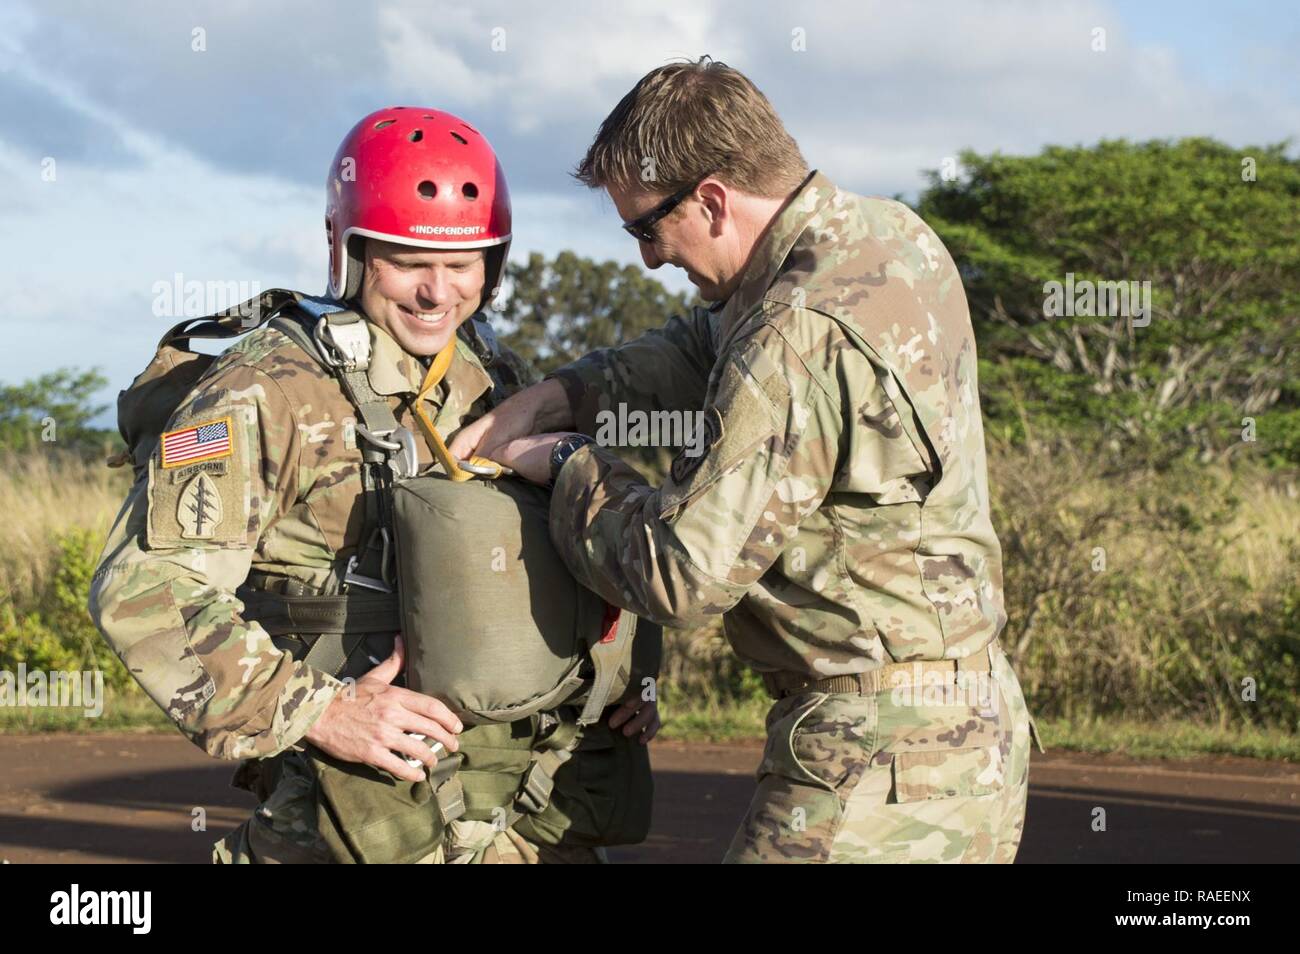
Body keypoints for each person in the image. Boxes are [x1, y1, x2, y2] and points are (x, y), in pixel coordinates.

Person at [450, 58, 1040, 864]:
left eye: (646, 229)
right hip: (970, 732)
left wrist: (569, 463)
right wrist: (558, 394)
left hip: (876, 757)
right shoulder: (885, 237)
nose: (649, 260)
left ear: (715, 199)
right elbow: (701, 347)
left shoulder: (793, 332)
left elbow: (683, 574)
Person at [89, 105, 658, 864]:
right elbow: (144, 591)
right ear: (349, 252)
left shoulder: (496, 377)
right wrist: (317, 711)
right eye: (408, 263)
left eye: (463, 265)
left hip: (509, 803)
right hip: (353, 813)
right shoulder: (267, 389)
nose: (438, 293)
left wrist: (619, 679)